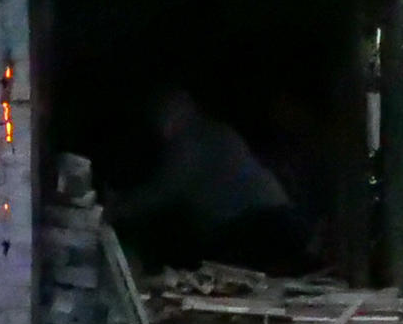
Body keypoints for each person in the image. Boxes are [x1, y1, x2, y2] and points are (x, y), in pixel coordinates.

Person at [116, 86, 308, 274]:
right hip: (268, 221)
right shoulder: (210, 134)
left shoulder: (195, 141)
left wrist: (120, 209)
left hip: (262, 224)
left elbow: (167, 189)